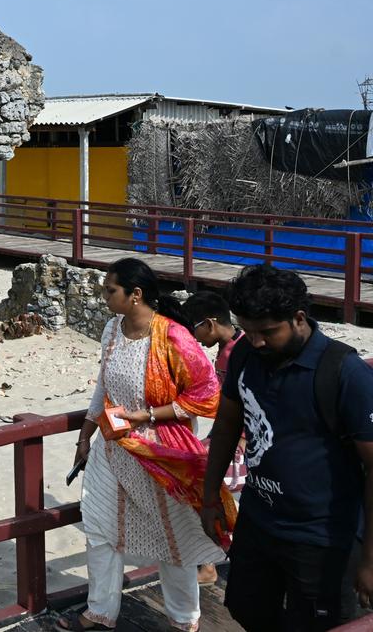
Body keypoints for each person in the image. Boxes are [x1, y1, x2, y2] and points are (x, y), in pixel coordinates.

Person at [60, 258, 234, 631]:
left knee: (173, 535)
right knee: (99, 525)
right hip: (113, 448)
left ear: (135, 294)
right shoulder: (111, 330)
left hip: (161, 452)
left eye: (111, 291)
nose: (105, 297)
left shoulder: (172, 336)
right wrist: (84, 435)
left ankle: (184, 619)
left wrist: (148, 416)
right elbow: (102, 387)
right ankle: (100, 611)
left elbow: (207, 394)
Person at [201, 264, 373, 630]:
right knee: (244, 606)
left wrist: (370, 561)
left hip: (322, 538)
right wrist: (210, 495)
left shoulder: (346, 373)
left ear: (298, 318)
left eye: (267, 332)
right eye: (248, 330)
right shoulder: (247, 353)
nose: (257, 340)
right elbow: (228, 422)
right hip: (258, 523)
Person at [182, 290, 246, 585]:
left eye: (195, 330)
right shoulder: (233, 347)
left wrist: (241, 438)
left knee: (204, 490)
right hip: (228, 434)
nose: (195, 340)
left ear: (209, 323)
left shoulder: (235, 353)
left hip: (238, 439)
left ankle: (209, 564)